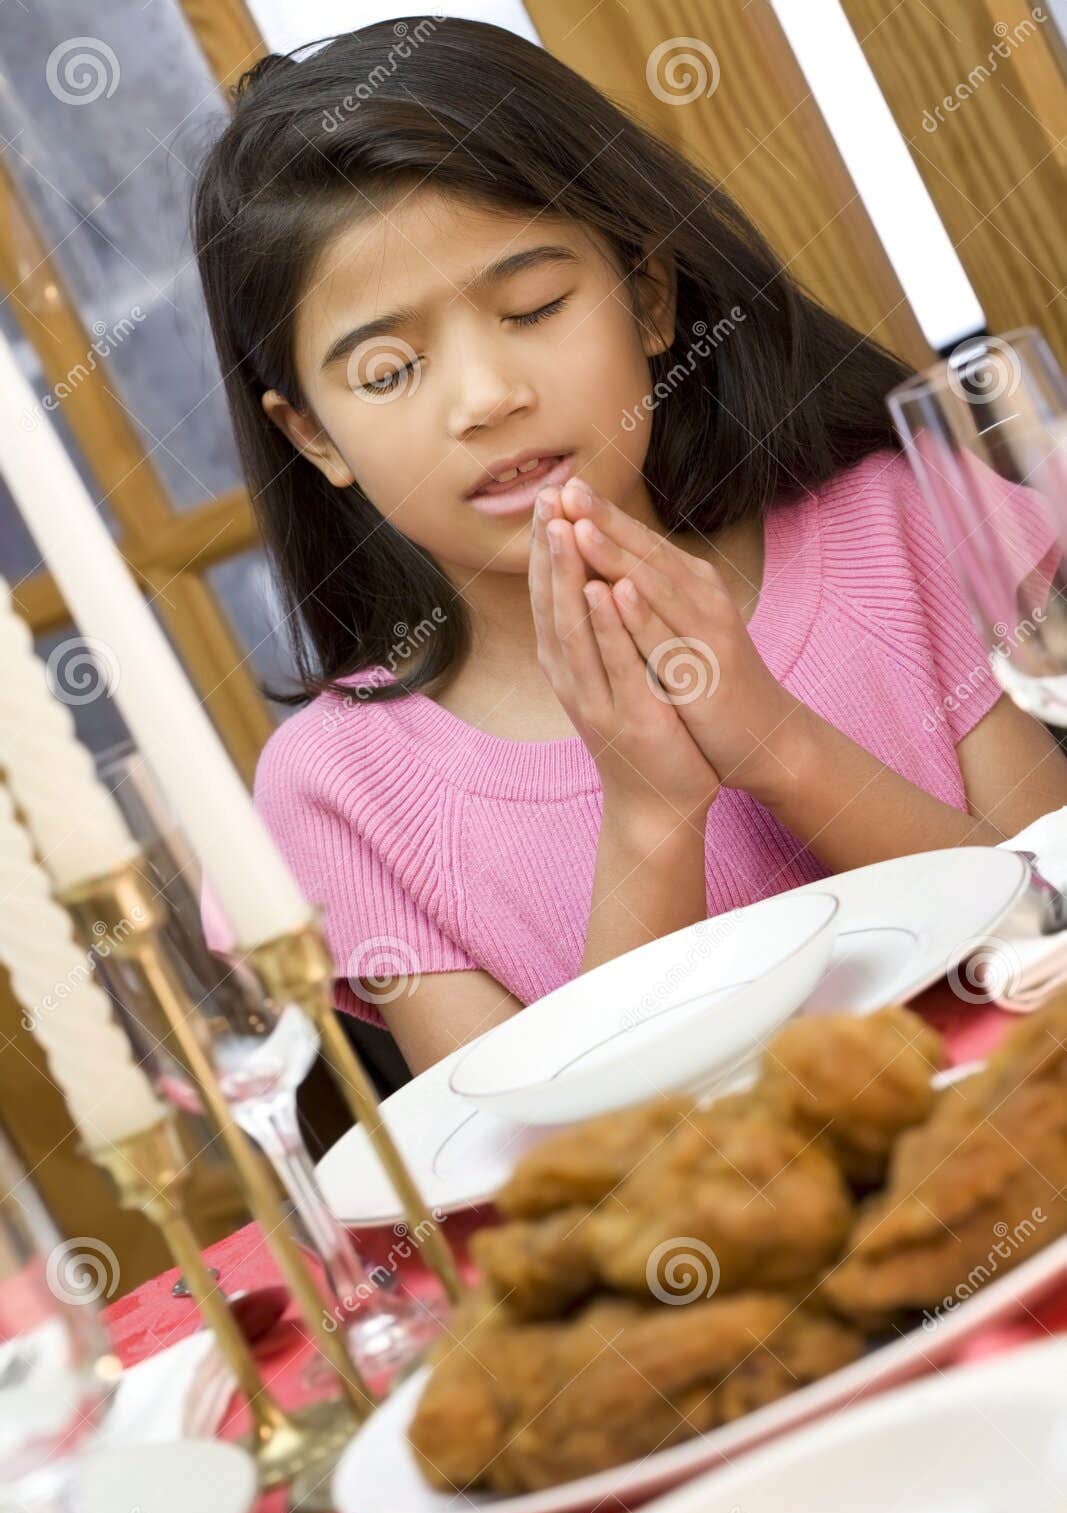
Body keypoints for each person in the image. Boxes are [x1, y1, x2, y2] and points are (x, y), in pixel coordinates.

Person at [192, 19, 1067, 1076]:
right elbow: (560, 1184)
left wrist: (780, 747)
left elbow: (1049, 940)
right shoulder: (341, 789)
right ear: (315, 434)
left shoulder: (893, 526)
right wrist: (648, 818)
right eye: (388, 372)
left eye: (532, 307)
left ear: (648, 301)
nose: (486, 398)